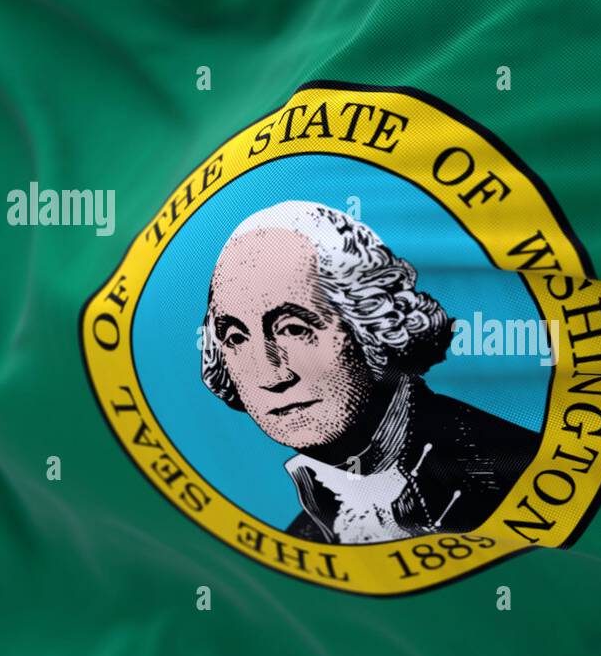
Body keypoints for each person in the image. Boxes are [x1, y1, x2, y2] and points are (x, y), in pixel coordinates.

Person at [200, 201, 540, 544]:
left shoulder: (521, 471)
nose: (271, 375)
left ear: (371, 325)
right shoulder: (302, 539)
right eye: (236, 338)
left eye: (294, 329)